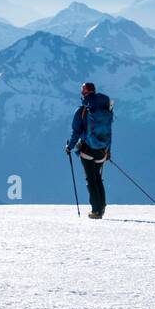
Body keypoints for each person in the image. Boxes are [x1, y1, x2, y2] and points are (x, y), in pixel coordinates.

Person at [66, 81, 113, 219]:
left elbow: (76, 132)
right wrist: (108, 151)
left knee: (90, 180)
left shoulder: (82, 111)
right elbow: (109, 131)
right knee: (98, 177)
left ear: (84, 94)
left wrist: (69, 147)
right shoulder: (105, 108)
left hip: (87, 150)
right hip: (102, 150)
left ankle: (96, 210)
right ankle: (102, 206)